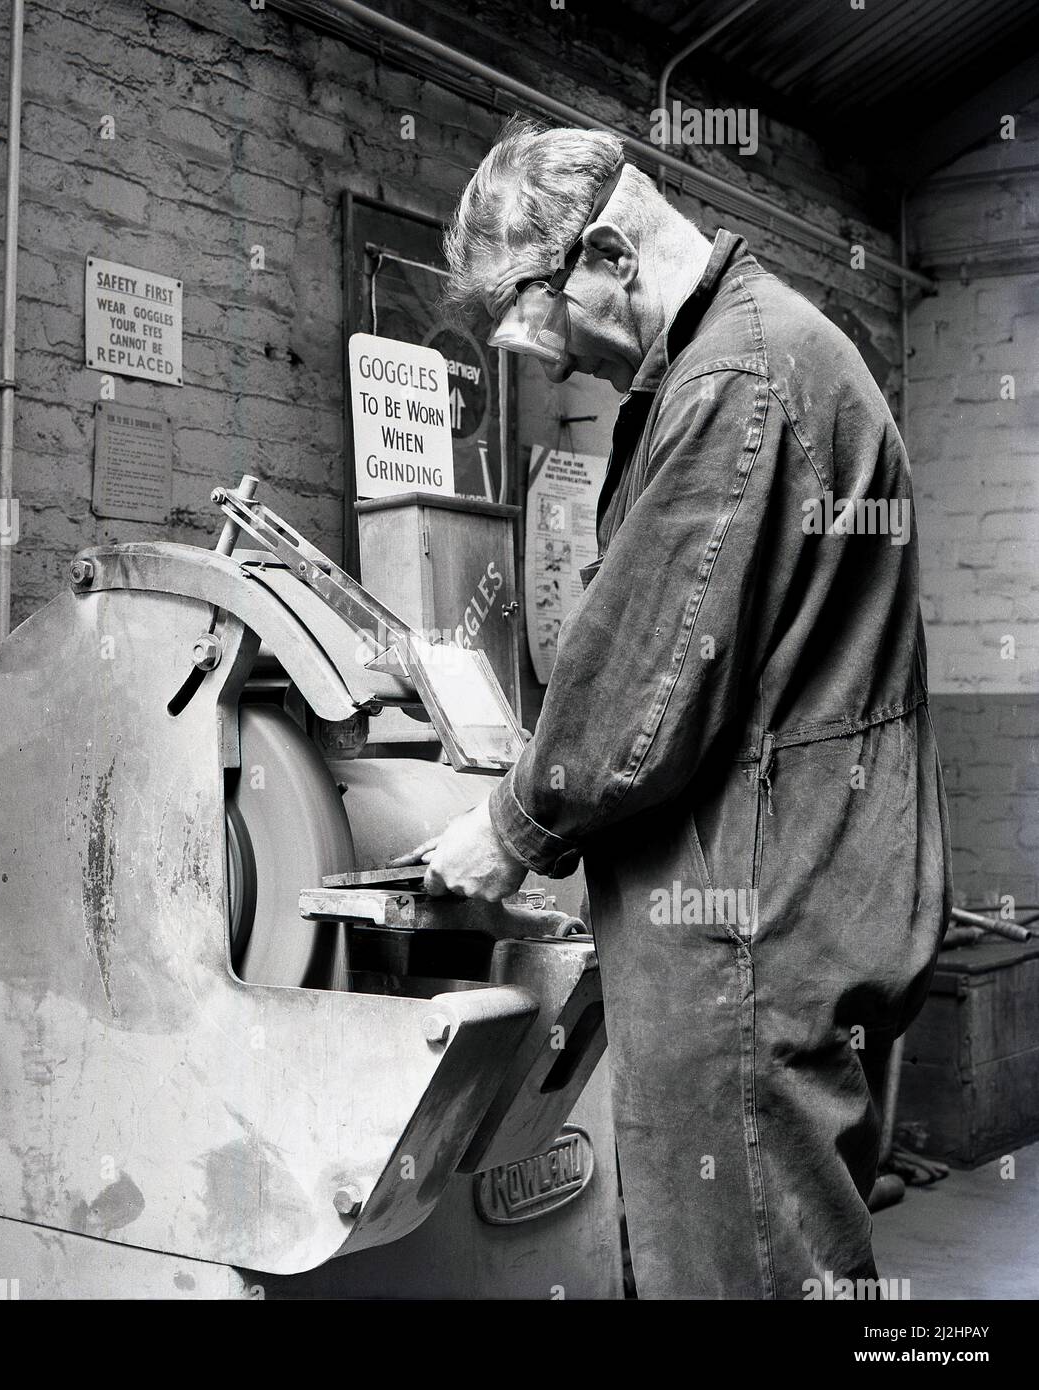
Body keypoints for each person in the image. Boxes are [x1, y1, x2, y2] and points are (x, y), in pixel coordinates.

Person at [404, 119, 952, 1298]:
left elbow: (645, 683)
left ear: (605, 251)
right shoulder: (762, 353)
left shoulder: (734, 382)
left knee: (743, 1271)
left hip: (744, 943)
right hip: (786, 909)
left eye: (534, 311)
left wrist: (508, 831)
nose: (540, 360)